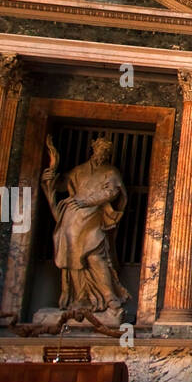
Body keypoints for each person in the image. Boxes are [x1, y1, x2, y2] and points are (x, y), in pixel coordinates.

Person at [42, 135, 131, 317]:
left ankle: (109, 296)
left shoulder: (110, 172)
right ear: (94, 150)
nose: (103, 154)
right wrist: (51, 174)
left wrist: (87, 201)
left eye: (106, 151)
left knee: (95, 255)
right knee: (73, 259)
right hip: (72, 219)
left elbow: (113, 191)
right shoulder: (79, 170)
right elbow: (60, 185)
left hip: (93, 218)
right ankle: (80, 298)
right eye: (101, 150)